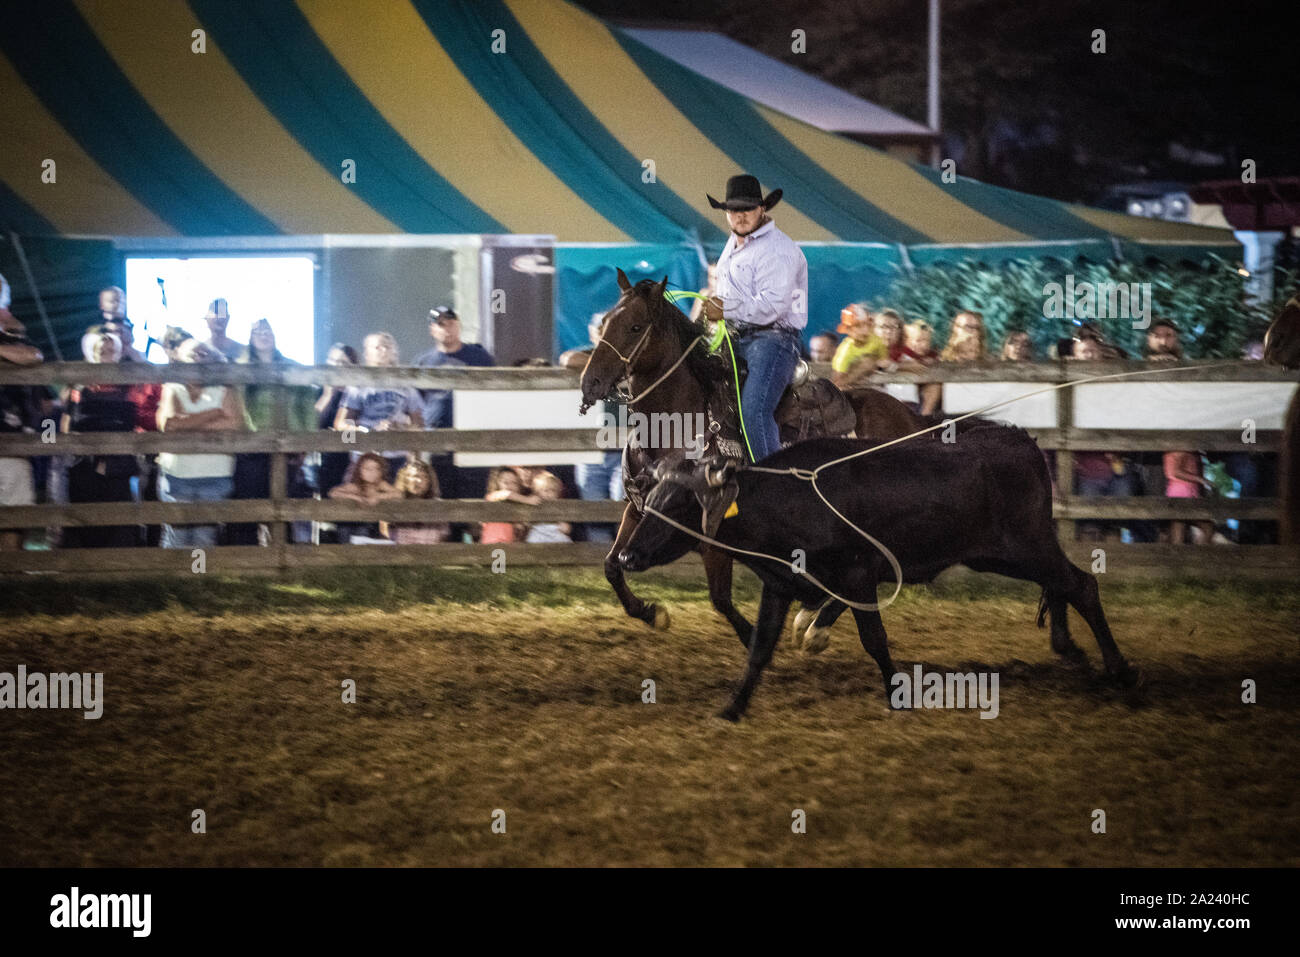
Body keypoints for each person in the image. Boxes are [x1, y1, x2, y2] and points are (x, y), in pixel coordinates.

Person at [700, 174, 807, 462]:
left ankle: (772, 481)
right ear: (726, 213)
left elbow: (772, 306)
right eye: (733, 210)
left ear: (762, 209)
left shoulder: (778, 249)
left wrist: (726, 309)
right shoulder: (733, 245)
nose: (740, 215)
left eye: (746, 209)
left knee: (754, 411)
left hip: (774, 339)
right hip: (736, 336)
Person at [230, 318, 317, 545]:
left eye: (267, 330)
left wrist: (306, 441)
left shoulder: (292, 367)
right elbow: (235, 405)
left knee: (282, 504)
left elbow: (307, 405)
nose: (263, 334)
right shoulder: (241, 370)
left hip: (287, 444)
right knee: (248, 506)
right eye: (257, 331)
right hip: (251, 446)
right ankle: (246, 559)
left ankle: (282, 555)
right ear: (249, 338)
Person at [156, 338, 244, 549]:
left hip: (214, 475)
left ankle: (199, 577)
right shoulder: (172, 388)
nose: (197, 359)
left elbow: (234, 423)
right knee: (176, 535)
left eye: (204, 354)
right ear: (180, 361)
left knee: (204, 537)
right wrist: (215, 413)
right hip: (177, 474)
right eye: (192, 354)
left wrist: (188, 424)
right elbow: (169, 424)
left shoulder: (225, 390)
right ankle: (177, 578)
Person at [60, 331, 140, 548]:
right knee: (83, 515)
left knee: (118, 516)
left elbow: (132, 421)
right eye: (101, 349)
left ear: (118, 353)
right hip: (84, 461)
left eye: (110, 349)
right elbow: (67, 420)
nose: (106, 352)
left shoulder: (128, 385)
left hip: (118, 461)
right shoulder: (79, 388)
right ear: (93, 354)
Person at [415, 307, 494, 500]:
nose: (447, 328)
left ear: (458, 326)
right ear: (432, 330)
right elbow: (415, 404)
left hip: (474, 438)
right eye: (441, 324)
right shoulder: (423, 362)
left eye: (451, 323)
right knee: (442, 492)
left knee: (476, 493)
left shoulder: (480, 357)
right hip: (437, 440)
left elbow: (495, 394)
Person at [335, 332, 424, 477]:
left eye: (387, 347)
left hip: (397, 456)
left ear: (394, 351)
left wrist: (401, 427)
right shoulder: (357, 385)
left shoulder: (405, 384)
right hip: (365, 458)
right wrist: (362, 433)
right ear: (367, 353)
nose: (383, 351)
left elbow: (420, 425)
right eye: (377, 347)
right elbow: (341, 424)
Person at [0, 286, 45, 551]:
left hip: (17, 448)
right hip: (17, 449)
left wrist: (49, 444)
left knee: (17, 515)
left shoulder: (21, 349)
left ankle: (13, 577)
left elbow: (33, 356)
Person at [328, 452, 400, 542]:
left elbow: (398, 494)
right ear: (360, 471)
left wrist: (379, 496)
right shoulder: (356, 486)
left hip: (370, 525)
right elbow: (333, 493)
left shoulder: (380, 484)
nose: (372, 472)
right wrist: (355, 497)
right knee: (345, 530)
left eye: (376, 469)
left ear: (381, 471)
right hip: (350, 523)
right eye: (367, 469)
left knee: (364, 531)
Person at [382, 460, 451, 544]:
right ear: (406, 479)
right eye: (415, 476)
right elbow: (386, 531)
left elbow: (443, 534)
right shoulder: (394, 504)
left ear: (429, 481)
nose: (418, 481)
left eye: (424, 477)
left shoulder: (439, 506)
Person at [830, 304, 887, 389]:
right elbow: (837, 378)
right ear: (849, 330)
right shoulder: (845, 350)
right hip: (850, 388)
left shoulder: (877, 340)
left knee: (869, 360)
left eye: (867, 324)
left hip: (876, 384)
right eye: (858, 326)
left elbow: (884, 360)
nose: (864, 330)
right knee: (868, 361)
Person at [1165, 449, 1213, 545]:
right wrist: (1201, 480)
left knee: (1179, 532)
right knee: (1207, 527)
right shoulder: (1181, 449)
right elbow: (1176, 471)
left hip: (1182, 493)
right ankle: (1194, 557)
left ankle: (1188, 557)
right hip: (1181, 493)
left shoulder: (1187, 450)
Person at [480, 466, 535, 544]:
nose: (510, 486)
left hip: (507, 543)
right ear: (497, 484)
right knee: (499, 555)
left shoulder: (514, 506)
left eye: (514, 483)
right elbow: (506, 494)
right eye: (506, 482)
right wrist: (527, 500)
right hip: (494, 541)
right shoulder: (493, 496)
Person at [524, 471, 572, 543]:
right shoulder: (535, 503)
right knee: (532, 539)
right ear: (538, 492)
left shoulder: (559, 506)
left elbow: (565, 526)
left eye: (553, 491)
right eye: (545, 490)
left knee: (564, 540)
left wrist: (565, 526)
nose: (549, 494)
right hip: (538, 532)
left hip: (555, 532)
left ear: (557, 494)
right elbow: (527, 521)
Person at [202, 298, 245, 362]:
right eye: (215, 312)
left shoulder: (243, 352)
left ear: (228, 318)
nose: (219, 318)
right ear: (206, 318)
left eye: (222, 313)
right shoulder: (200, 352)